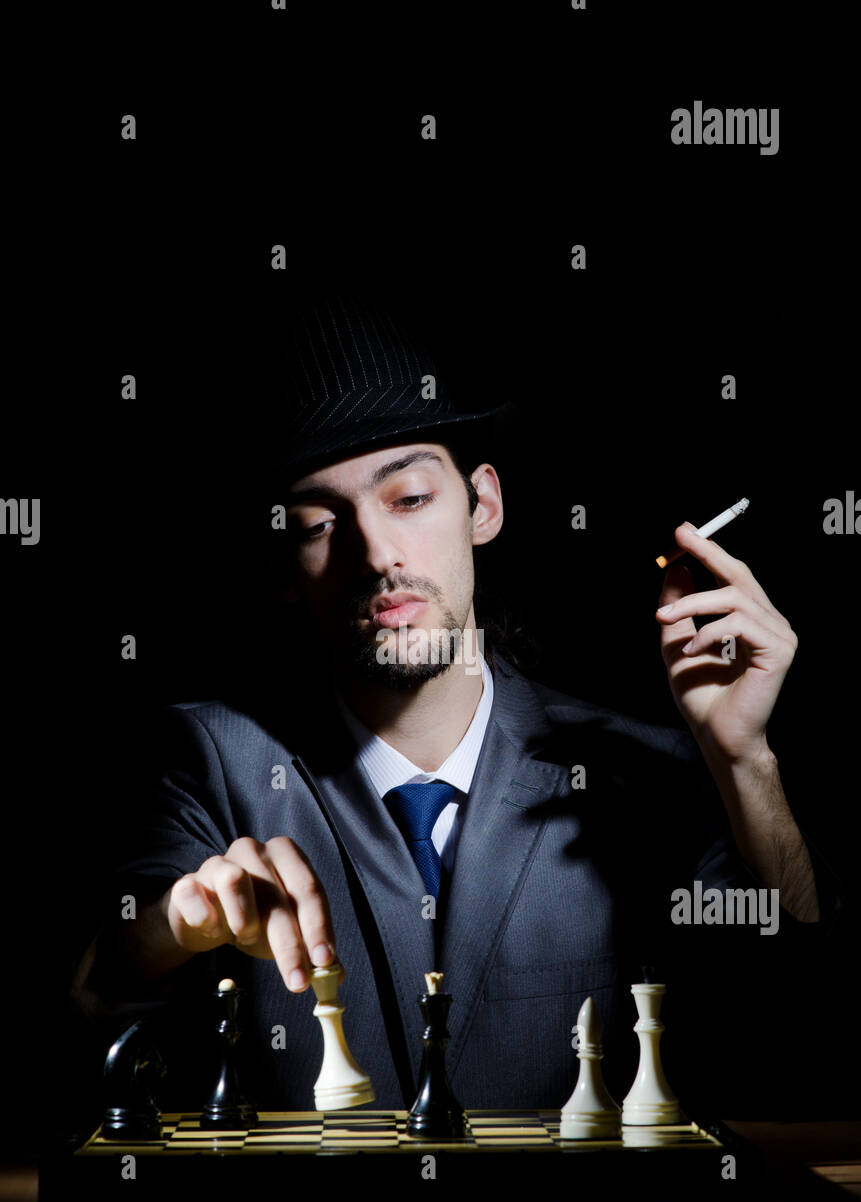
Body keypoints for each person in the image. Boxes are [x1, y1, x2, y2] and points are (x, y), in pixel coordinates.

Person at [72, 298, 844, 1115]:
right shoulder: (210, 758)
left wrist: (744, 759)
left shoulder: (640, 769)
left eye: (406, 498)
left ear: (482, 505)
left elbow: (808, 1017)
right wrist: (180, 924)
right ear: (282, 570)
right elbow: (91, 991)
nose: (376, 555)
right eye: (318, 524)